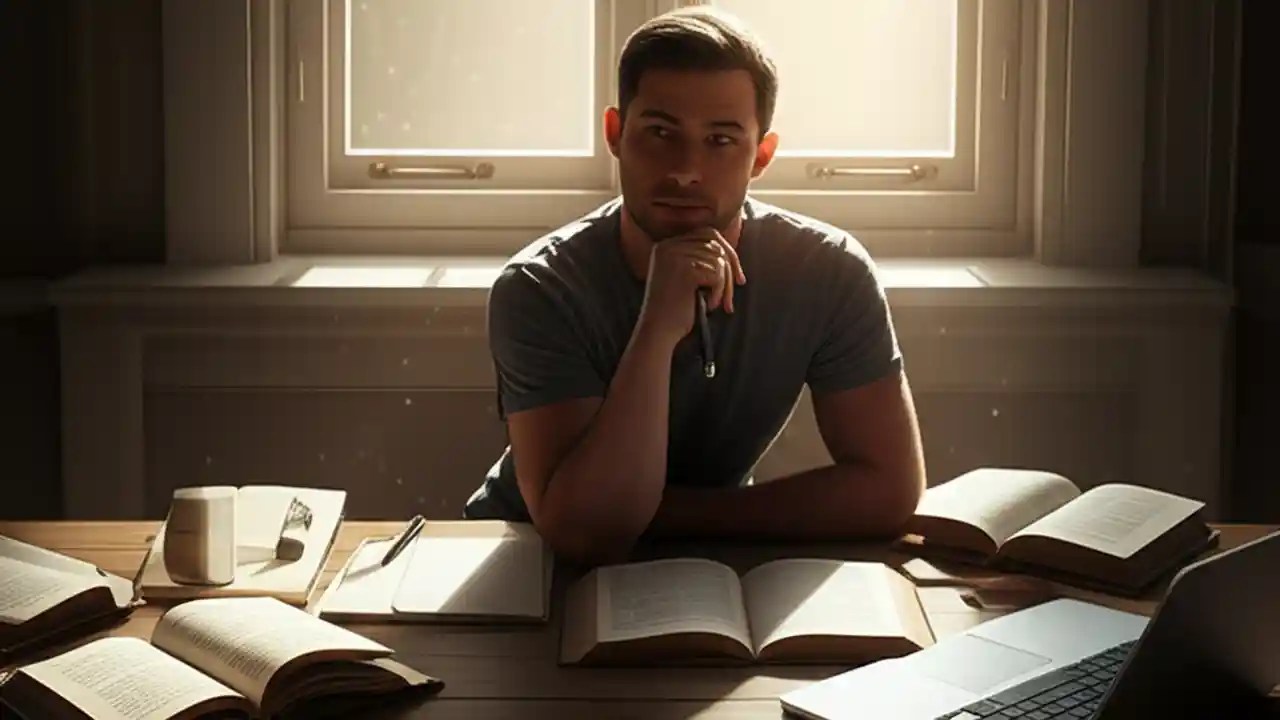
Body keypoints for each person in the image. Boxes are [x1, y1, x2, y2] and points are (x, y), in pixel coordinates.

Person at [463, 6, 926, 565]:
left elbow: (890, 490)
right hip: (530, 559)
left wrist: (666, 514)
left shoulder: (828, 271)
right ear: (615, 134)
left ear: (762, 156)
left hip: (716, 557)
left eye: (721, 140)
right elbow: (585, 533)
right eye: (660, 133)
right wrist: (657, 328)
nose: (686, 169)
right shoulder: (540, 287)